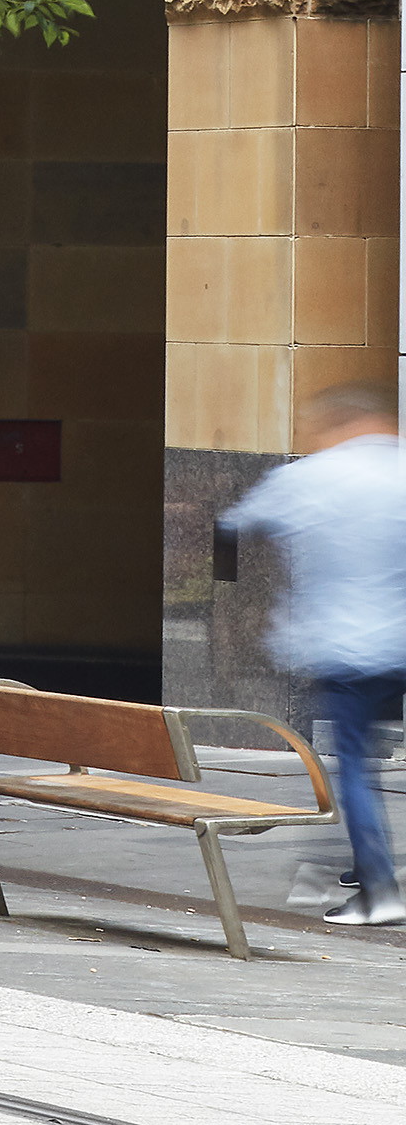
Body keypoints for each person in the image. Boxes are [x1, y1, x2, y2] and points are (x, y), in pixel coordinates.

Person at [219, 383, 406, 926]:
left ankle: (379, 890)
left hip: (346, 650)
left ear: (339, 424)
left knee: (355, 766)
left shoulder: (309, 477)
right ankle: (365, 866)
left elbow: (233, 525)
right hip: (398, 643)